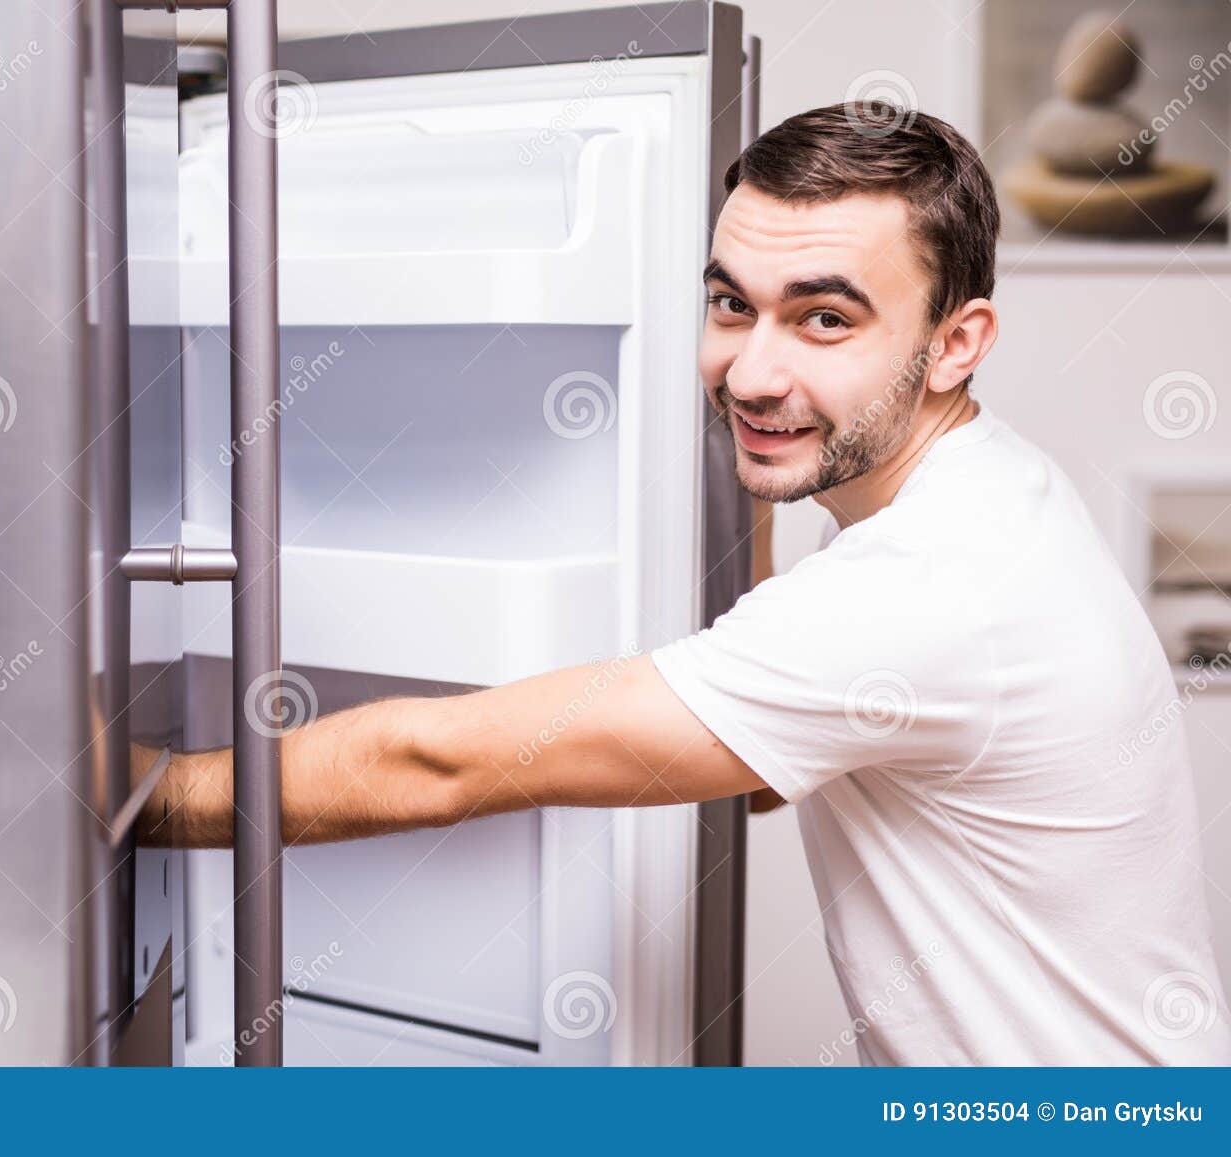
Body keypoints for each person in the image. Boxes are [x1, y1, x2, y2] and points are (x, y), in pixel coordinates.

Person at [131, 102, 1231, 1066]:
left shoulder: (932, 585)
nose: (750, 371)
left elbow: (443, 760)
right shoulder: (977, 488)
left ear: (957, 343)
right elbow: (764, 774)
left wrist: (136, 791)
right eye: (729, 304)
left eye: (824, 318)